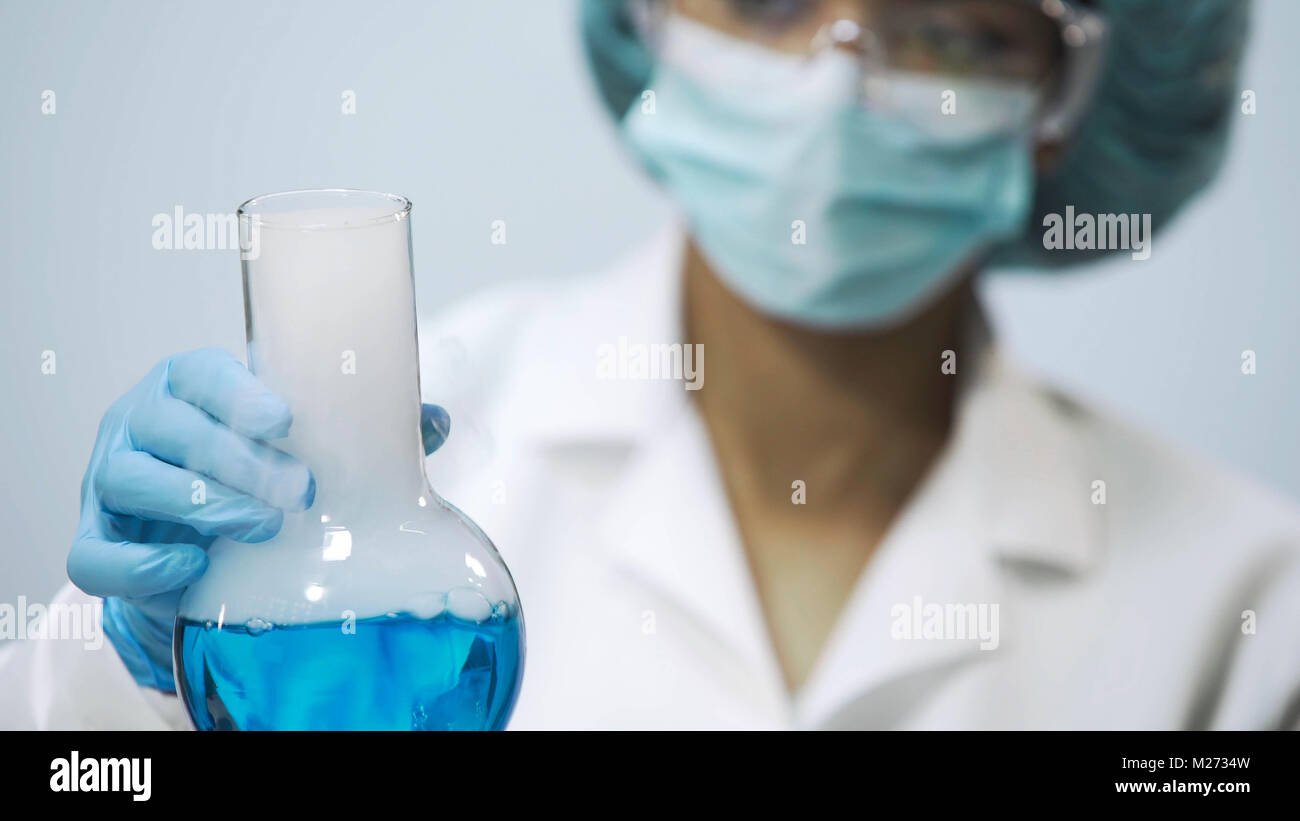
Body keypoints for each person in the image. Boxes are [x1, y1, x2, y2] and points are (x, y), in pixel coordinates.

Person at [4, 0, 1298, 730]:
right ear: (648, 28)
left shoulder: (1244, 602)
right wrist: (123, 680)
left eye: (949, 28)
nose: (833, 78)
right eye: (772, 2)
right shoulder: (385, 447)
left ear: (1071, 108)